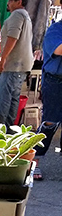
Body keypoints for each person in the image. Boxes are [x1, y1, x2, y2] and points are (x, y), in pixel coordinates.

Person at [0, 0, 34, 127]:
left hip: (14, 64)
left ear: (19, 2)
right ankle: (9, 131)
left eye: (11, 0)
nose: (8, 3)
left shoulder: (17, 15)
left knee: (3, 98)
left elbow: (12, 38)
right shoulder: (25, 15)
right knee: (12, 98)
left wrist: (2, 58)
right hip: (21, 65)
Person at [35, 19, 62, 158]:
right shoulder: (56, 29)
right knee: (50, 123)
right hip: (55, 81)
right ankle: (35, 159)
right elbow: (59, 49)